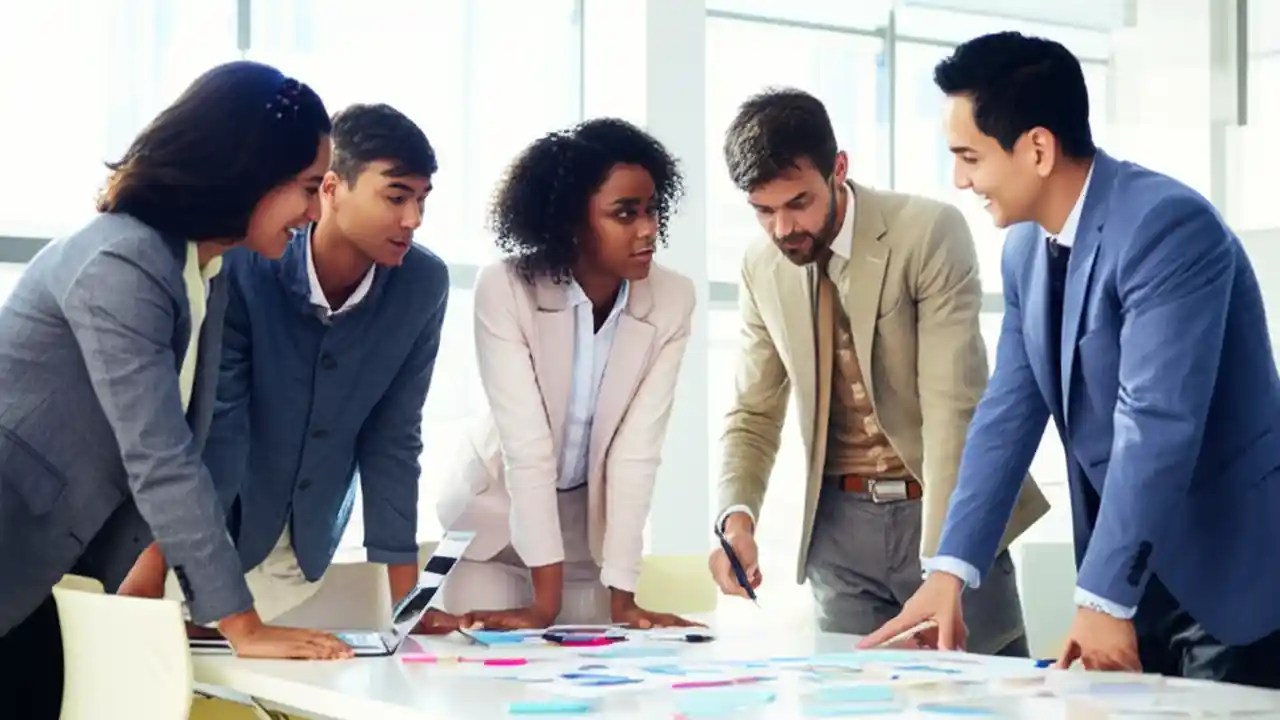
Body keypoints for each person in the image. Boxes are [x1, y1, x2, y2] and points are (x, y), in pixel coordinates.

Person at [860, 32, 1280, 688]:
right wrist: (951, 570)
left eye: (969, 156)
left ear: (1036, 148)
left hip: (1226, 573)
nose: (959, 179)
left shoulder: (1168, 226)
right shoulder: (1026, 249)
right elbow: (1005, 414)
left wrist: (1102, 597)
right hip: (1131, 576)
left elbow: (1158, 422)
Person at [0, 60, 352, 718]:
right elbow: (161, 455)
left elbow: (191, 444)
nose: (313, 212)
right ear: (248, 172)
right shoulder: (123, 261)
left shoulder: (201, 268)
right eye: (307, 188)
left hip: (48, 576)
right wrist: (242, 624)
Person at [709, 88, 1048, 655]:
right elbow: (754, 408)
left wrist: (947, 564)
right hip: (840, 535)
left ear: (839, 169)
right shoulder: (760, 264)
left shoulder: (928, 232)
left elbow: (952, 407)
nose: (782, 229)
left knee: (984, 702)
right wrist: (736, 515)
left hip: (944, 508)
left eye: (798, 202)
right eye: (763, 211)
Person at [120, 103, 459, 633]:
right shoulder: (244, 265)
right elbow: (217, 430)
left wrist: (407, 607)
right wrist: (150, 572)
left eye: (421, 200)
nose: (412, 219)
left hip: (299, 554)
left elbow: (393, 439)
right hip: (203, 529)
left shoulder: (423, 285)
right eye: (395, 197)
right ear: (329, 188)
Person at [436, 118, 699, 630]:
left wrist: (624, 598)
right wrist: (542, 606)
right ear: (571, 222)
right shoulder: (506, 287)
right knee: (485, 674)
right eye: (625, 213)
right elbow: (526, 449)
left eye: (651, 210)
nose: (648, 229)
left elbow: (636, 454)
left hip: (584, 538)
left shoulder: (672, 299)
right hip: (491, 526)